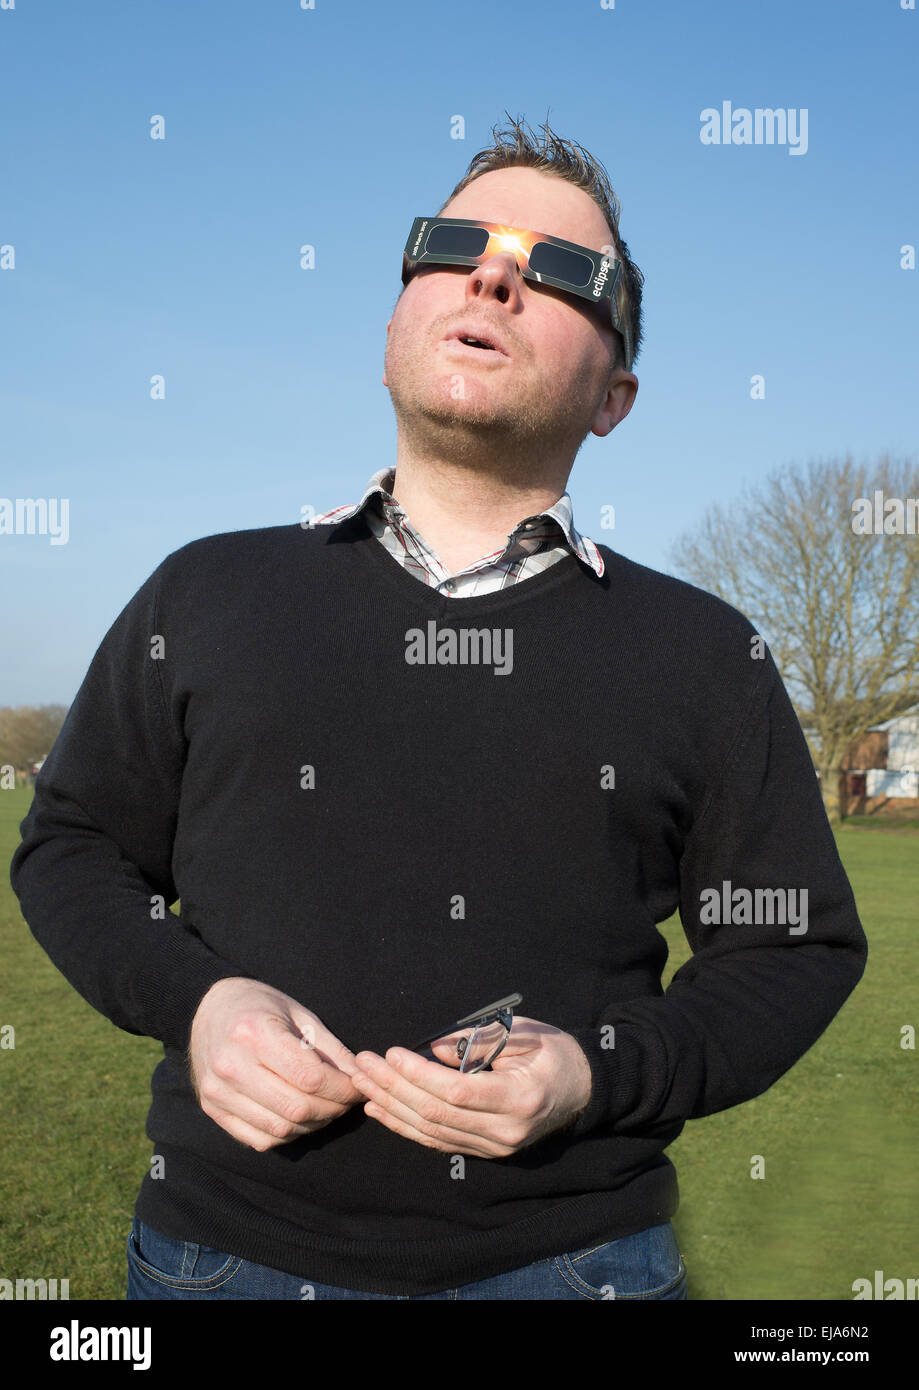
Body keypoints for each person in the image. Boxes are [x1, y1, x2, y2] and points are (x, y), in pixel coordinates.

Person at [10, 115, 868, 1301]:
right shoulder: (202, 589)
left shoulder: (710, 654)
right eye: (455, 242)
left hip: (574, 1267)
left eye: (566, 270)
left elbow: (793, 943)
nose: (496, 270)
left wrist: (593, 1070)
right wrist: (196, 1002)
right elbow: (73, 846)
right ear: (391, 331)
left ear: (615, 394)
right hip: (214, 1260)